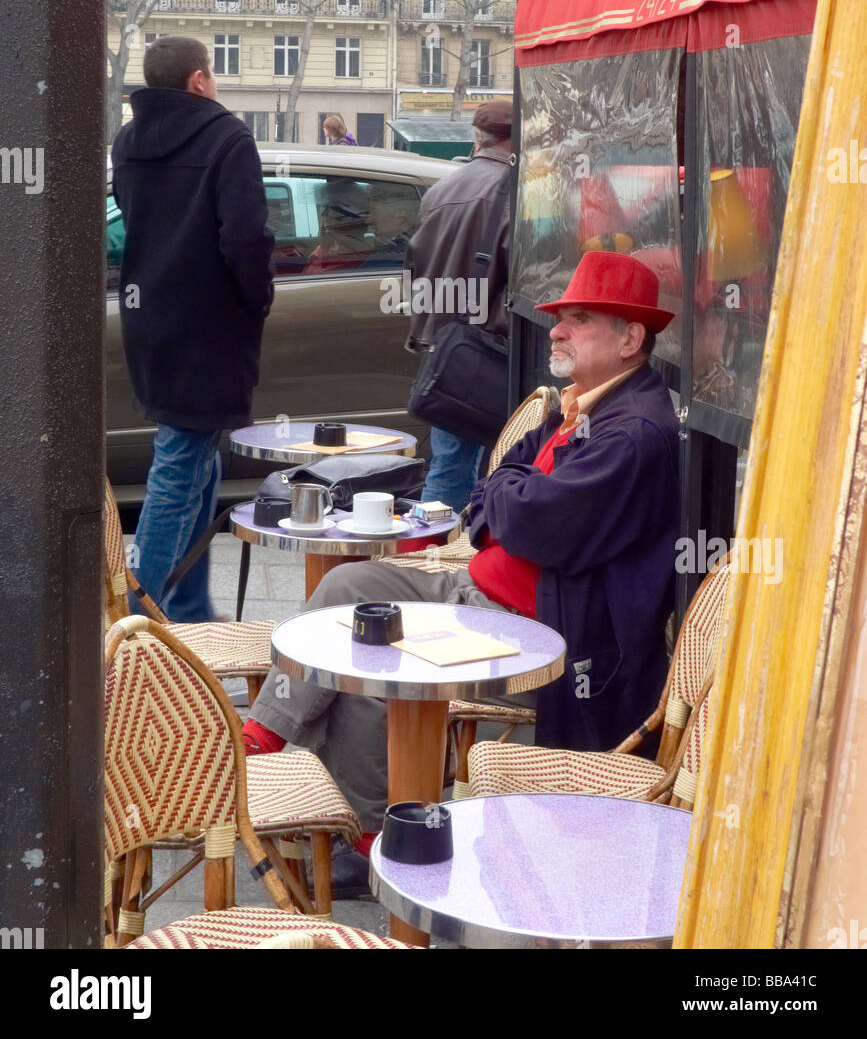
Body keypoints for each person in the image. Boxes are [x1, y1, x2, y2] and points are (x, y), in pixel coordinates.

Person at [242, 250, 679, 894]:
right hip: (482, 591)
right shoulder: (581, 404)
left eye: (578, 319)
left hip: (541, 630)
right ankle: (264, 740)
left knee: (373, 656)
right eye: (561, 317)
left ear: (630, 339)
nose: (555, 330)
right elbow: (492, 489)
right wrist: (509, 495)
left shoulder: (631, 431)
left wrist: (507, 496)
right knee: (347, 589)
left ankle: (369, 834)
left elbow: (532, 519)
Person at [112, 36, 274, 622]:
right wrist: (256, 297)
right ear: (198, 80)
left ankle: (189, 605)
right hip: (209, 324)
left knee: (197, 451)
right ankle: (139, 617)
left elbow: (131, 216)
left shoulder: (128, 140)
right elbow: (246, 238)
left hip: (150, 317)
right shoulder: (228, 137)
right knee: (180, 461)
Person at [404, 98, 513, 511]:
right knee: (499, 466)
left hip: (448, 349)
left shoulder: (441, 189)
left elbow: (416, 268)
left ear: (478, 137)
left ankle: (435, 553)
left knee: (450, 463)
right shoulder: (514, 193)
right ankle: (440, 558)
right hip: (493, 349)